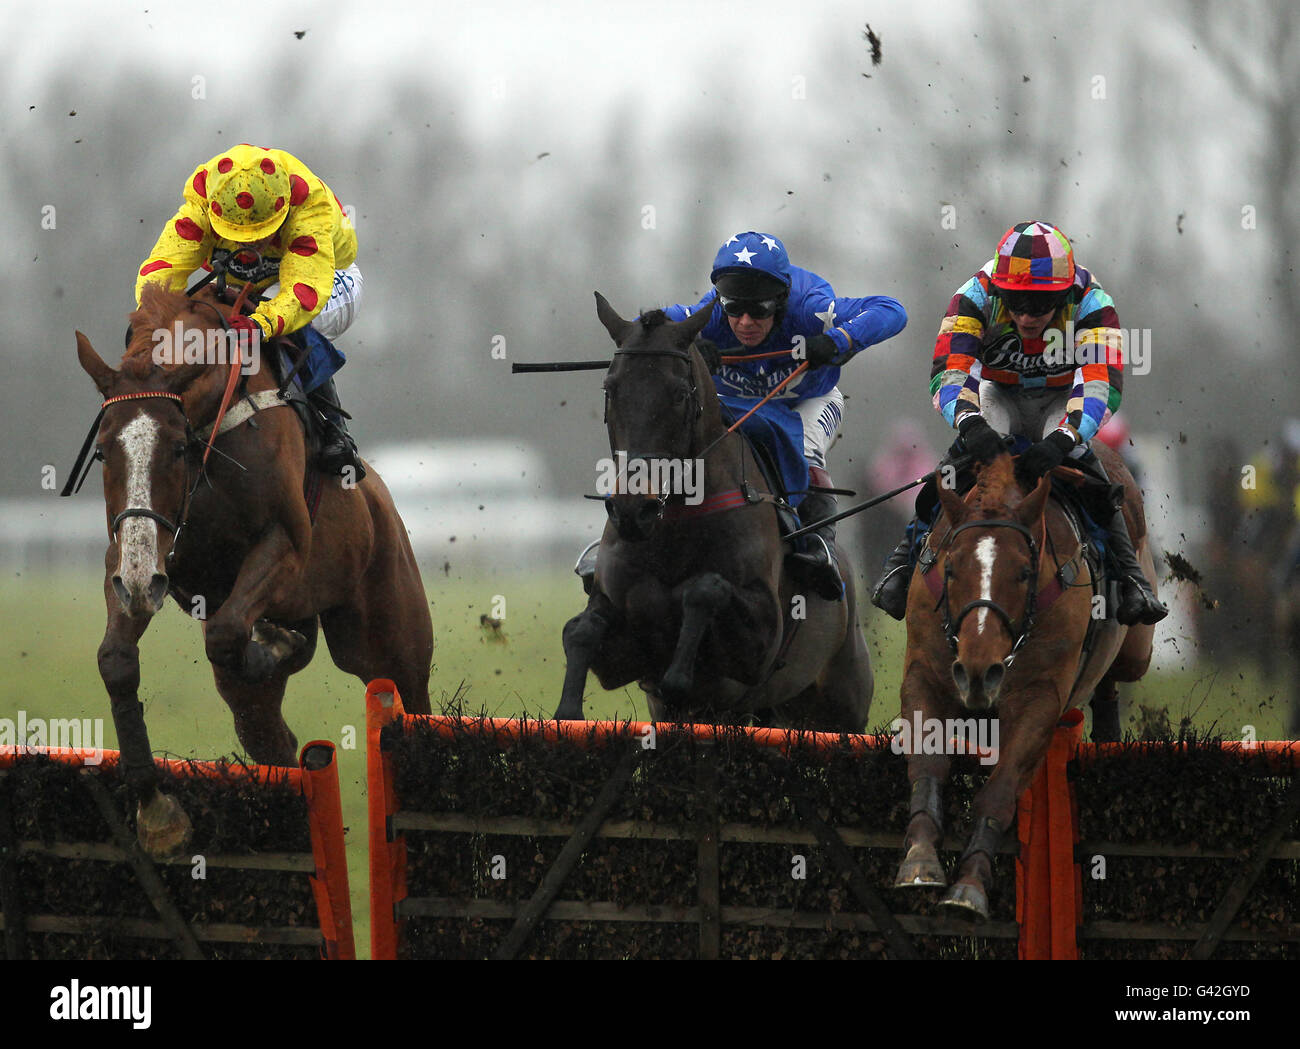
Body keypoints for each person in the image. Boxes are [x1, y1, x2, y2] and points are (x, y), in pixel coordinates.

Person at [870, 220, 1167, 625]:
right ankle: (903, 564)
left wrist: (1063, 439)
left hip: (1061, 398)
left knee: (1092, 473)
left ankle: (1131, 579)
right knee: (952, 471)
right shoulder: (973, 296)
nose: (1027, 316)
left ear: (1064, 294)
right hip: (998, 395)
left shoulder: (1092, 303)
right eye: (1016, 302)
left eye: (1041, 305)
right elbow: (951, 371)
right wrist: (971, 424)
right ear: (999, 288)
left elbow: (1102, 382)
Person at [664, 230, 908, 600]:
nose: (745, 321)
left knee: (806, 454)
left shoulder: (811, 307)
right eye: (734, 308)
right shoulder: (709, 316)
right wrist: (684, 342)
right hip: (740, 404)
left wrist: (838, 339)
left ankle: (820, 547)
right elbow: (645, 323)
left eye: (759, 309)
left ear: (780, 300)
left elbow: (893, 310)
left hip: (808, 402)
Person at [135, 143, 365, 478]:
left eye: (259, 233)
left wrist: (261, 325)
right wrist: (150, 323)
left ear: (282, 210)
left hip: (328, 279)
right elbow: (160, 273)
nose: (247, 243)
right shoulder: (200, 204)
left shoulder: (309, 207)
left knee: (282, 319)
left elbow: (302, 293)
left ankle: (335, 430)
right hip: (252, 284)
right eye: (235, 234)